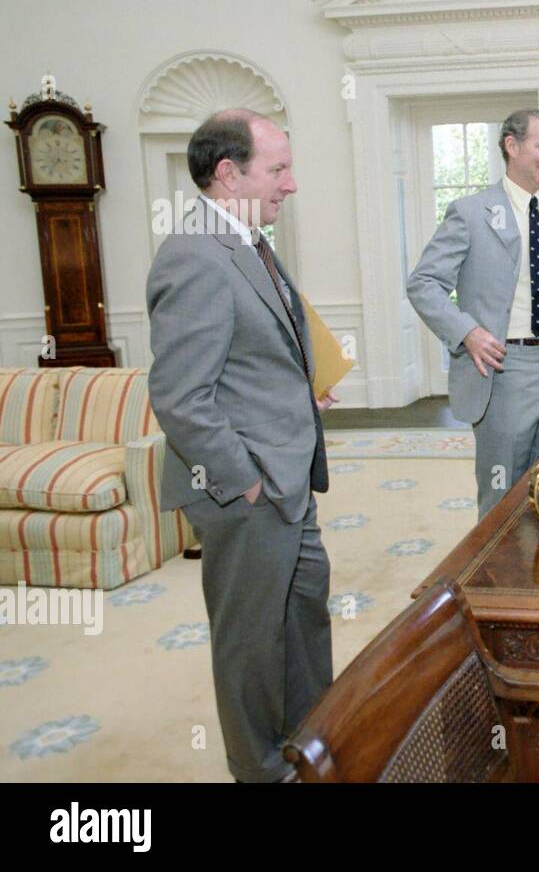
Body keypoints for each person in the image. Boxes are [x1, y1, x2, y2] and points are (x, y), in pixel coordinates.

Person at [146, 109, 337, 782]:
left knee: (305, 615)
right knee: (251, 641)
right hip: (248, 486)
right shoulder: (194, 254)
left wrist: (301, 389)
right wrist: (245, 478)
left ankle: (311, 745)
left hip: (289, 470)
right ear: (228, 173)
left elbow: (251, 352)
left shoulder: (246, 238)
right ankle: (260, 769)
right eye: (277, 169)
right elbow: (179, 395)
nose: (290, 184)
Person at [407, 109, 539, 516]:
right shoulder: (469, 212)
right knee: (501, 491)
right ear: (512, 146)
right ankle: (492, 576)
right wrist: (467, 331)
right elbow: (423, 283)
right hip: (504, 368)